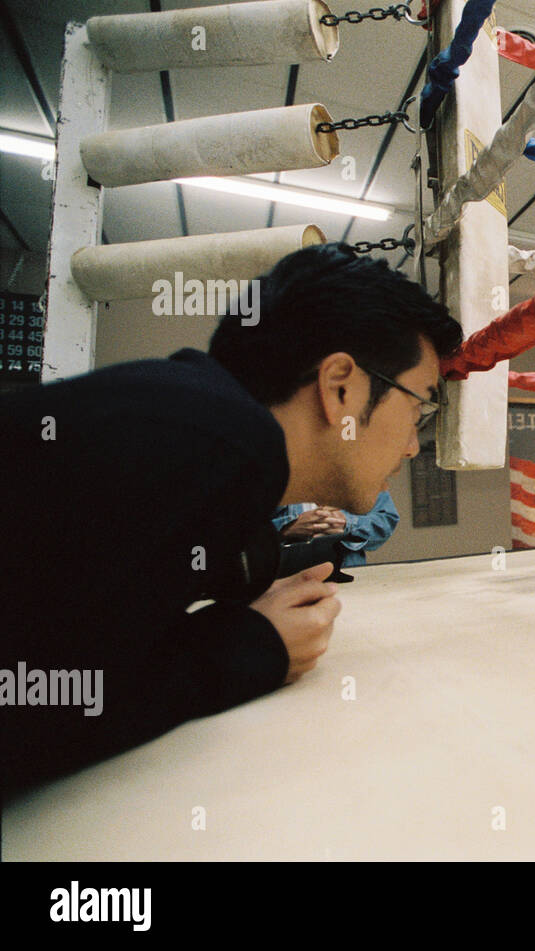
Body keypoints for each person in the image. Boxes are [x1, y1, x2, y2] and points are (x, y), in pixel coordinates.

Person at [0, 243, 462, 794]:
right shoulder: (219, 443)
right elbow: (30, 714)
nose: (414, 445)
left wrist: (250, 562)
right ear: (342, 387)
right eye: (419, 405)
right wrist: (253, 647)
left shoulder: (191, 415)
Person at [274, 489, 402, 580]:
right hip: (283, 582)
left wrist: (348, 523)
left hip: (349, 579)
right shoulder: (267, 466)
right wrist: (286, 529)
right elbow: (254, 530)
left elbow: (386, 519)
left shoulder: (362, 467)